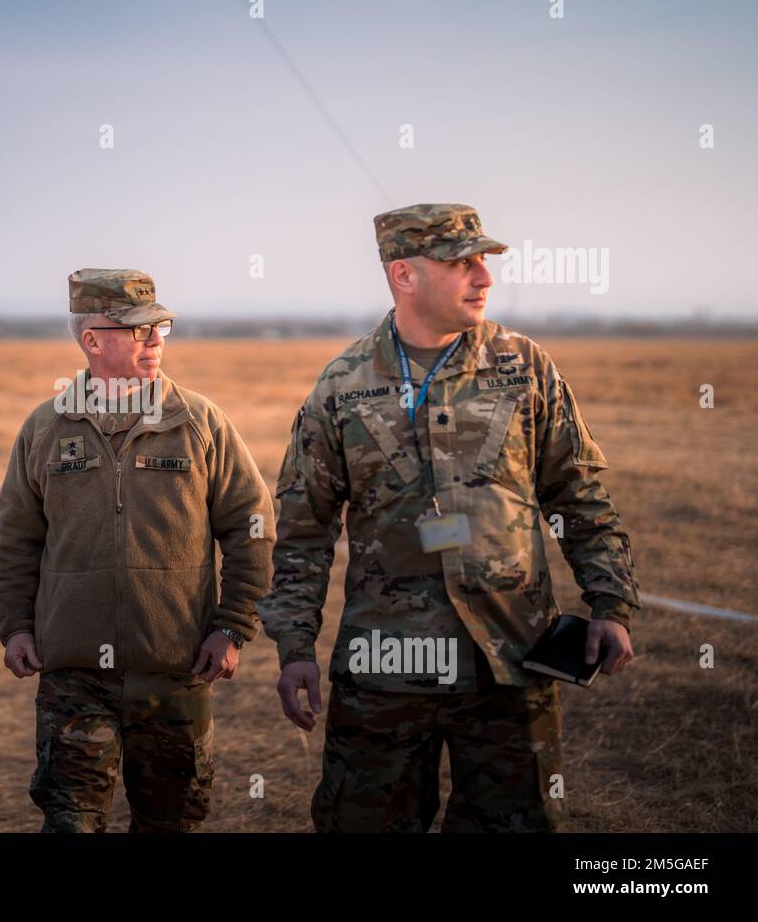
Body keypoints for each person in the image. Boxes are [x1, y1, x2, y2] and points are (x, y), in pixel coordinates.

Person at [258, 204, 639, 832]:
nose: (484, 278)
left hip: (510, 660)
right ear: (404, 275)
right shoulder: (344, 385)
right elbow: (303, 531)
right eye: (462, 263)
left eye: (484, 262)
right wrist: (295, 646)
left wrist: (611, 604)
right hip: (385, 670)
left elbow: (579, 498)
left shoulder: (524, 368)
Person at [0, 268, 274, 832]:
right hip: (73, 676)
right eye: (138, 329)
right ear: (91, 339)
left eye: (160, 325)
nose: (156, 339)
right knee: (72, 822)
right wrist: (15, 626)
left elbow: (252, 526)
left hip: (175, 672)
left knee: (171, 823)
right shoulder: (46, 428)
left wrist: (233, 625)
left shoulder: (199, 422)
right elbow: (16, 541)